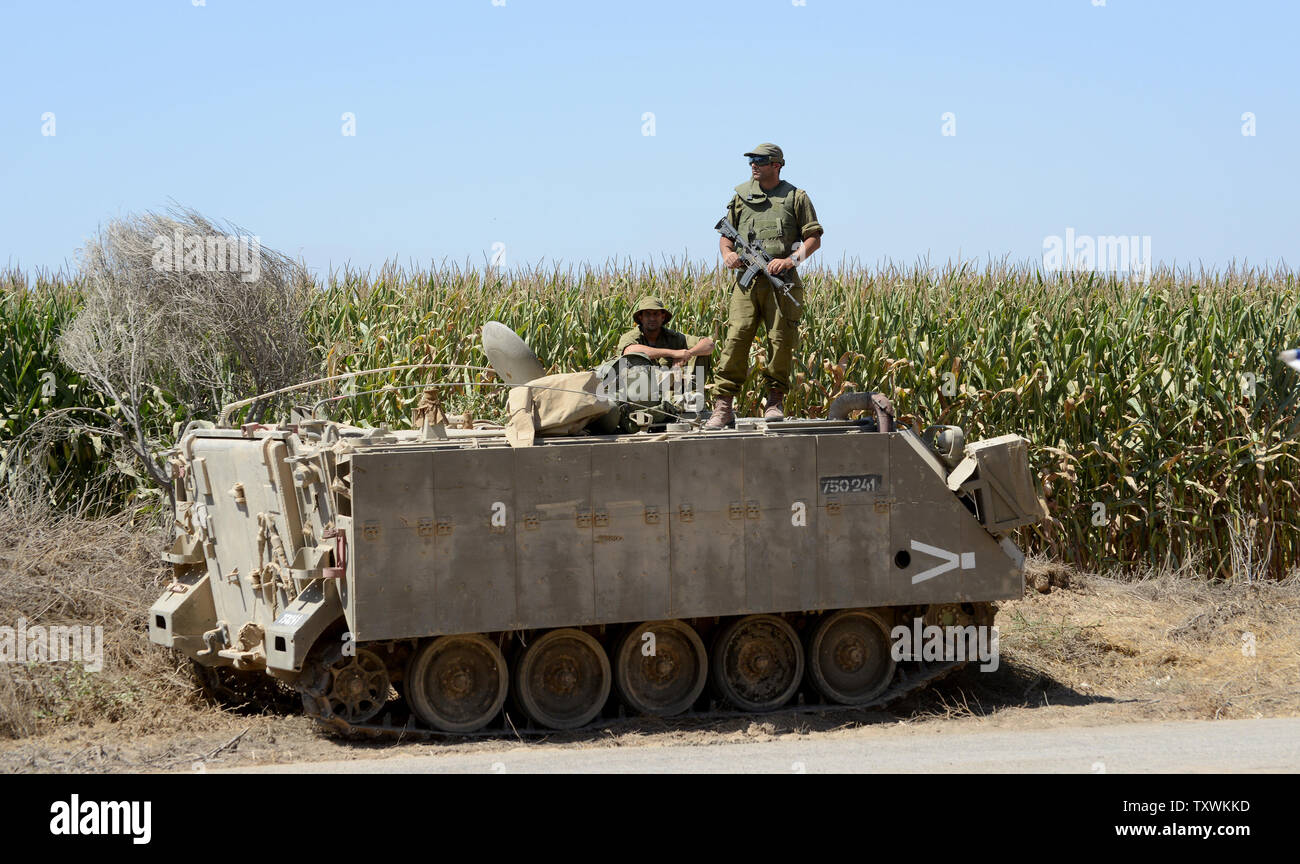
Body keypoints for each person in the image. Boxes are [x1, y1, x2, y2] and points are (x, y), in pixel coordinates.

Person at [706, 143, 823, 428]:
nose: (754, 165)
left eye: (761, 160)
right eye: (752, 161)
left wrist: (790, 261)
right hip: (747, 284)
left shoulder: (796, 197)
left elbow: (814, 239)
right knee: (736, 338)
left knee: (780, 341)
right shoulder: (741, 196)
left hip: (780, 282)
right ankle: (723, 406)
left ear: (777, 165)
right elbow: (725, 236)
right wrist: (728, 254)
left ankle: (774, 400)